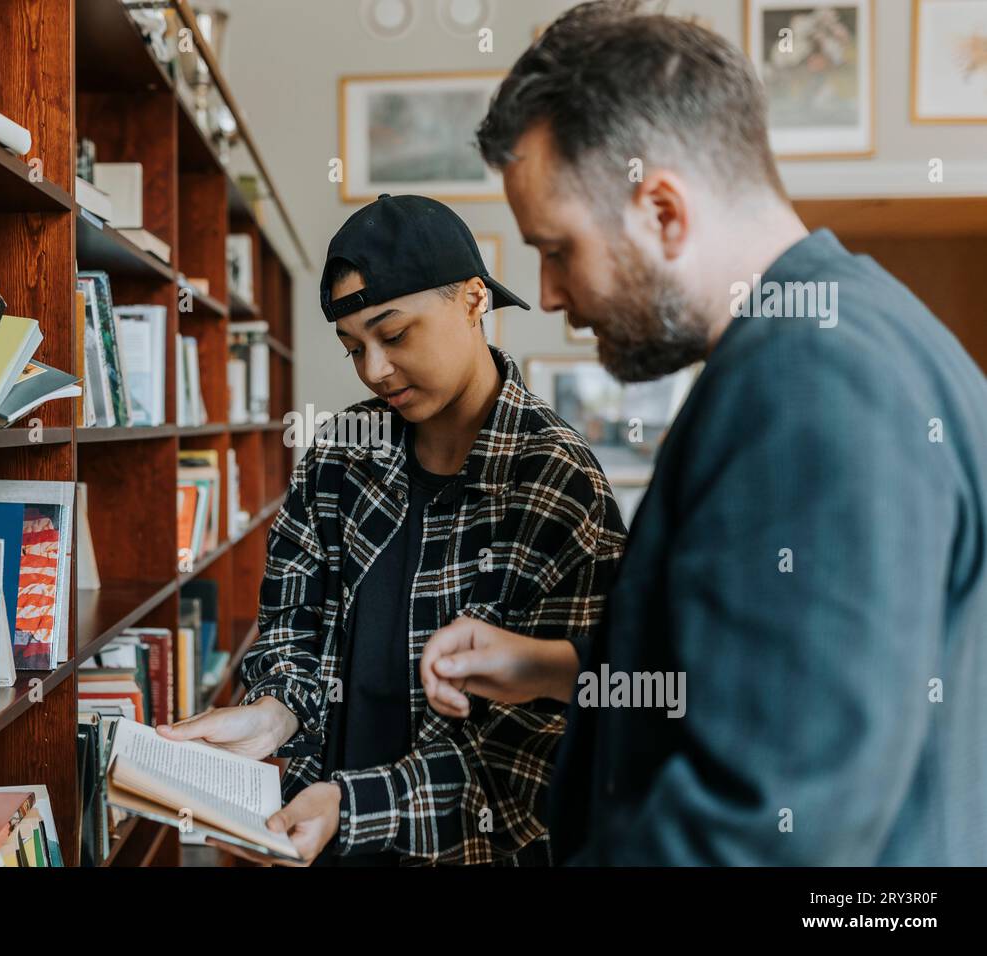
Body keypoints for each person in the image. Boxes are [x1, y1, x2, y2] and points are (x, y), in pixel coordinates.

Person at [421, 0, 987, 865]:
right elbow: (768, 676)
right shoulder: (856, 330)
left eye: (557, 248)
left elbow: (770, 824)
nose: (549, 293)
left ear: (662, 211)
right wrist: (549, 667)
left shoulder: (812, 385)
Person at [158, 193, 626, 865]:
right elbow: (293, 625)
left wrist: (356, 808)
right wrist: (274, 713)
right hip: (315, 845)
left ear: (473, 302)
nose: (374, 370)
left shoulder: (558, 484)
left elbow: (533, 765)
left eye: (395, 334)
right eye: (353, 348)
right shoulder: (340, 452)